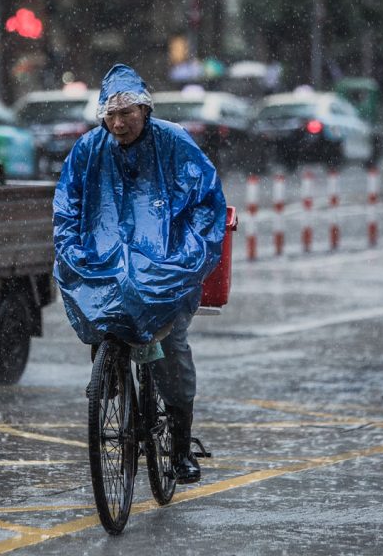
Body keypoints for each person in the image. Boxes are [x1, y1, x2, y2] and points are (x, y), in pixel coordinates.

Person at [53, 63, 226, 484]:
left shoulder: (174, 143)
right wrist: (74, 251)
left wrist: (185, 259)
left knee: (172, 353)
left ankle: (181, 446)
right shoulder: (89, 150)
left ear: (145, 110)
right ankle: (108, 370)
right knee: (101, 313)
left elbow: (206, 204)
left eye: (126, 114)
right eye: (110, 115)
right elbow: (68, 208)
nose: (118, 123)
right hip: (107, 262)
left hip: (166, 265)